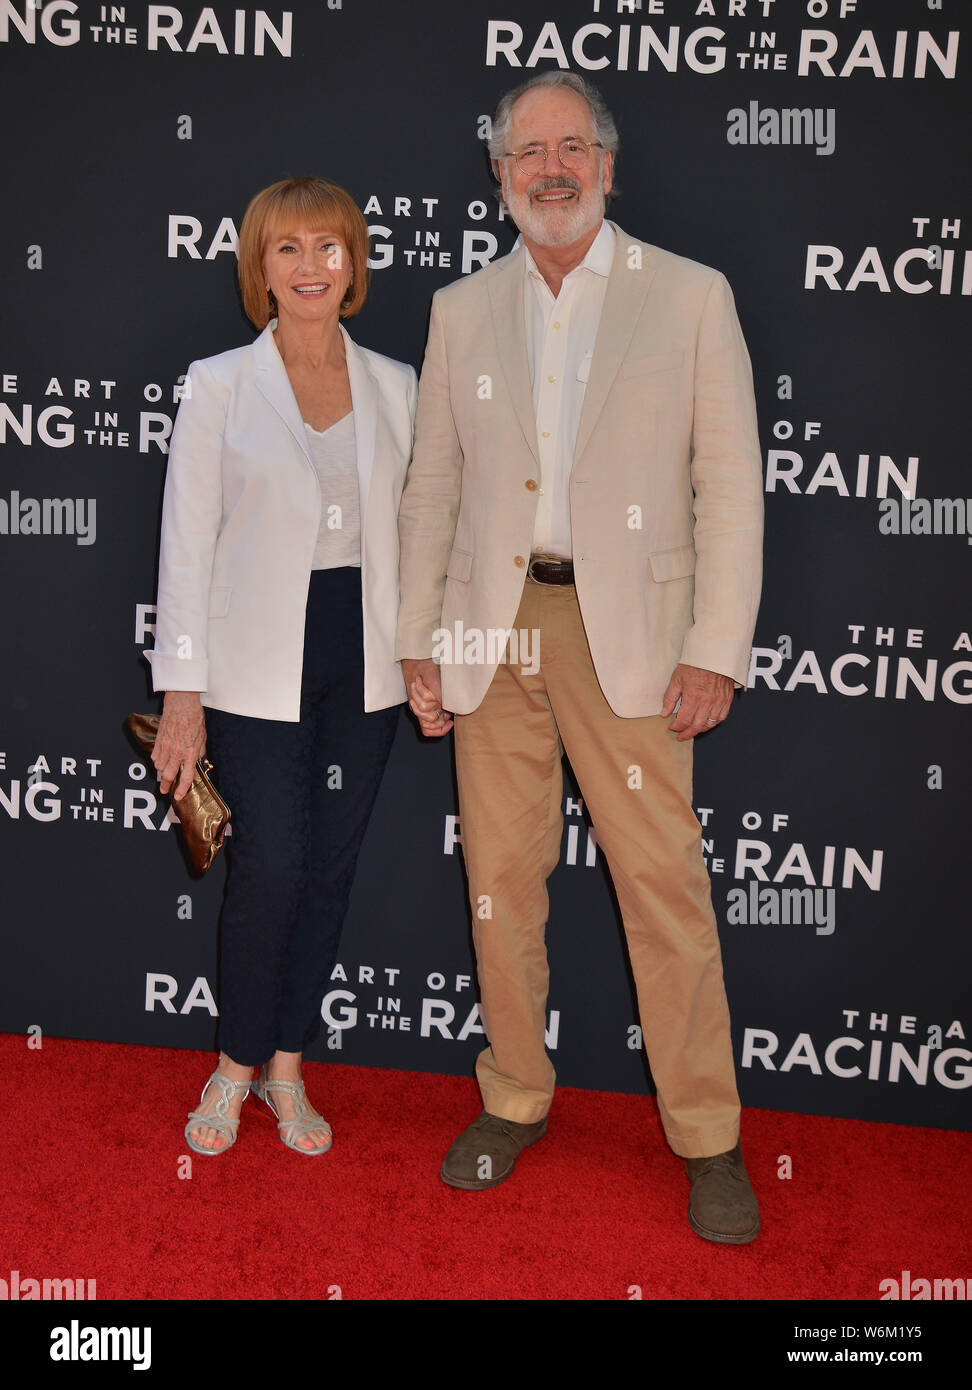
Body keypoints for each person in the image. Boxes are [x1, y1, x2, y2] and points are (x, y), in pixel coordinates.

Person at [396, 72, 764, 1242]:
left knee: (665, 892)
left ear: (607, 165)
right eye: (524, 152)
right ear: (498, 176)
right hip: (494, 632)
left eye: (569, 148)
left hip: (640, 646)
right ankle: (513, 1093)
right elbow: (436, 487)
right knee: (500, 884)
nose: (547, 169)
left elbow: (730, 487)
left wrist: (715, 647)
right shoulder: (463, 308)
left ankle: (707, 1134)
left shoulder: (692, 297)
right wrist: (421, 637)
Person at [147, 177, 417, 1155]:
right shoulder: (218, 383)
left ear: (355, 263)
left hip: (364, 652)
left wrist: (427, 653)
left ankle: (290, 1068)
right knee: (270, 863)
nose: (311, 266)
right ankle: (235, 1065)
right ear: (260, 269)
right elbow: (185, 546)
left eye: (329, 247)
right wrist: (182, 698)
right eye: (289, 249)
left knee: (331, 867)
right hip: (257, 654)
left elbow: (420, 538)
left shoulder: (397, 385)